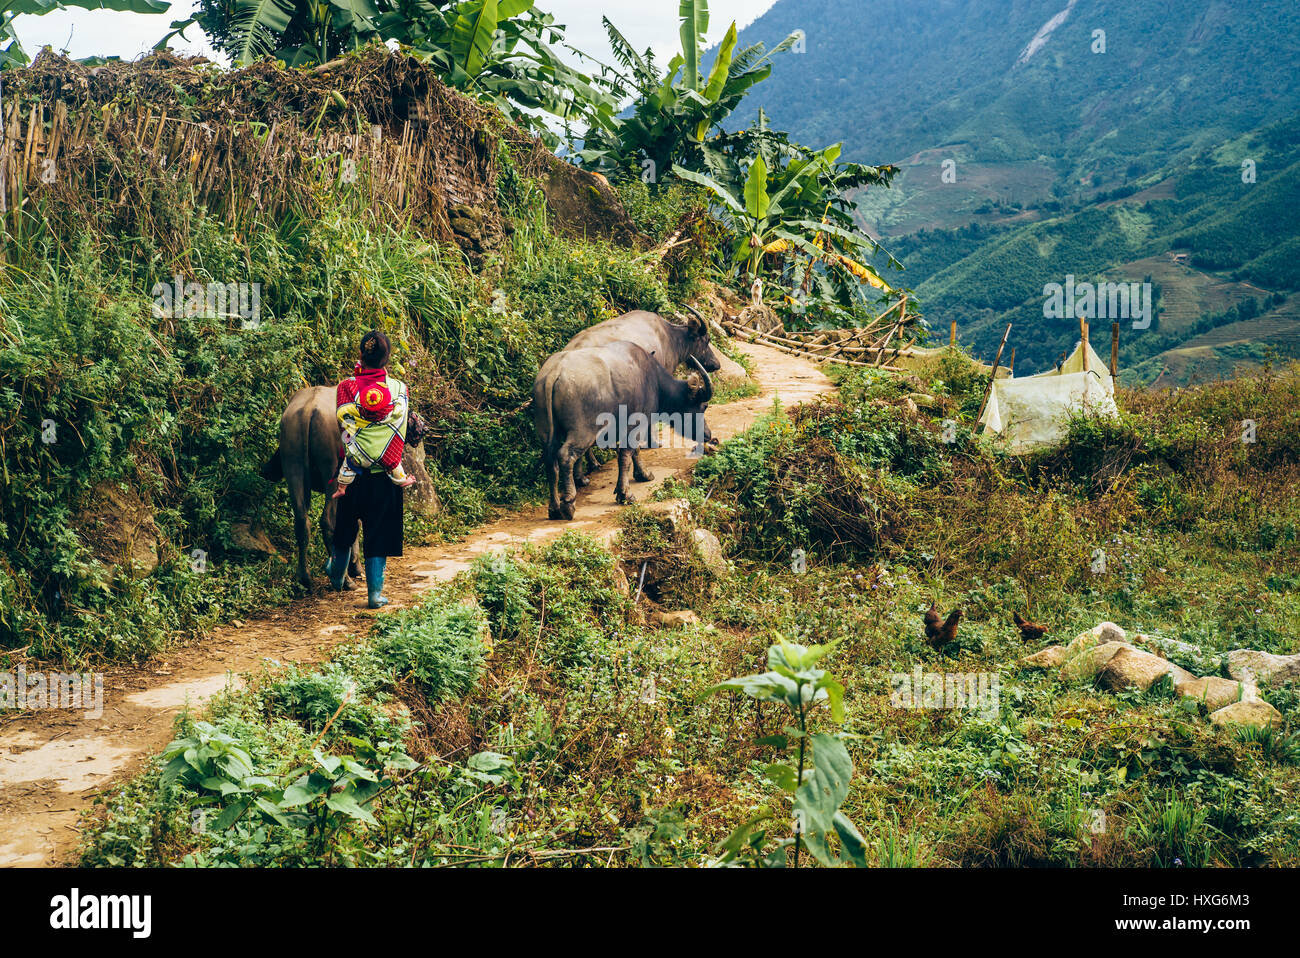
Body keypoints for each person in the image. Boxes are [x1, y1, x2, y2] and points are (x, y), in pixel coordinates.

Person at [327, 330, 409, 608]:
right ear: (387, 357)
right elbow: (399, 428)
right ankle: (374, 595)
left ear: (361, 354)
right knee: (379, 533)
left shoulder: (345, 388)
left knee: (344, 530)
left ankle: (335, 575)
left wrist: (355, 455)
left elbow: (344, 429)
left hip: (352, 474)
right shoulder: (399, 389)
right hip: (385, 475)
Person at [332, 377, 416, 497]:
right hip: (385, 458)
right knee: (395, 467)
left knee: (348, 466)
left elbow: (344, 421)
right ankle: (403, 481)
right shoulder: (399, 392)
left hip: (360, 455)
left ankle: (341, 488)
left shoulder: (348, 392)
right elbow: (399, 413)